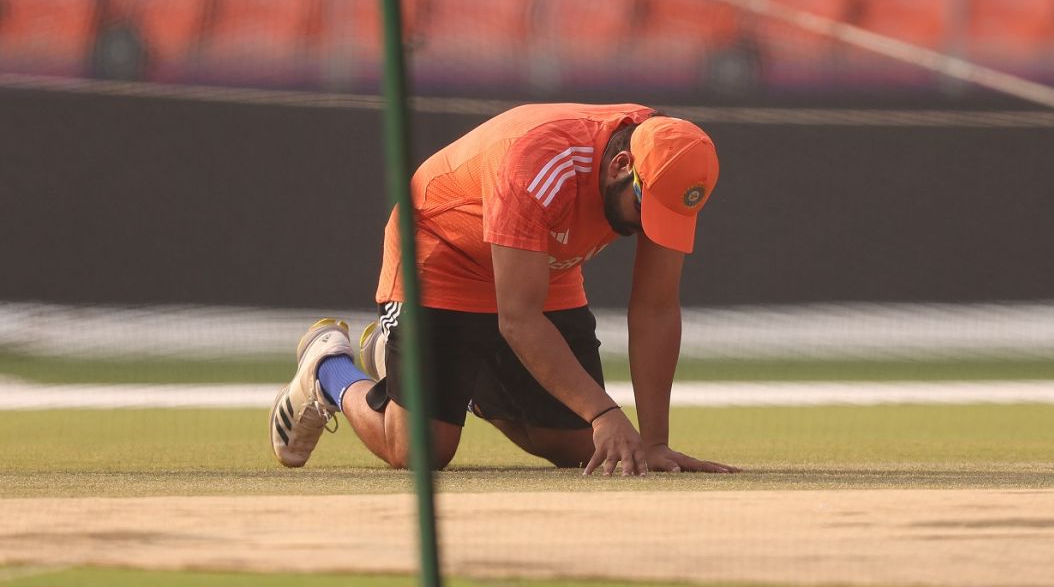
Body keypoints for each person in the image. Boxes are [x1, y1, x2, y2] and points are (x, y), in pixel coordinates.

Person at [269, 103, 736, 476]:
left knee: (582, 447)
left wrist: (654, 442)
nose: (649, 227)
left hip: (540, 265)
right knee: (420, 451)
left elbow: (654, 309)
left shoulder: (666, 171)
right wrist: (605, 413)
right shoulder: (537, 167)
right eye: (644, 208)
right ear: (620, 166)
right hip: (442, 250)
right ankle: (328, 369)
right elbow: (519, 320)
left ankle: (436, 369)